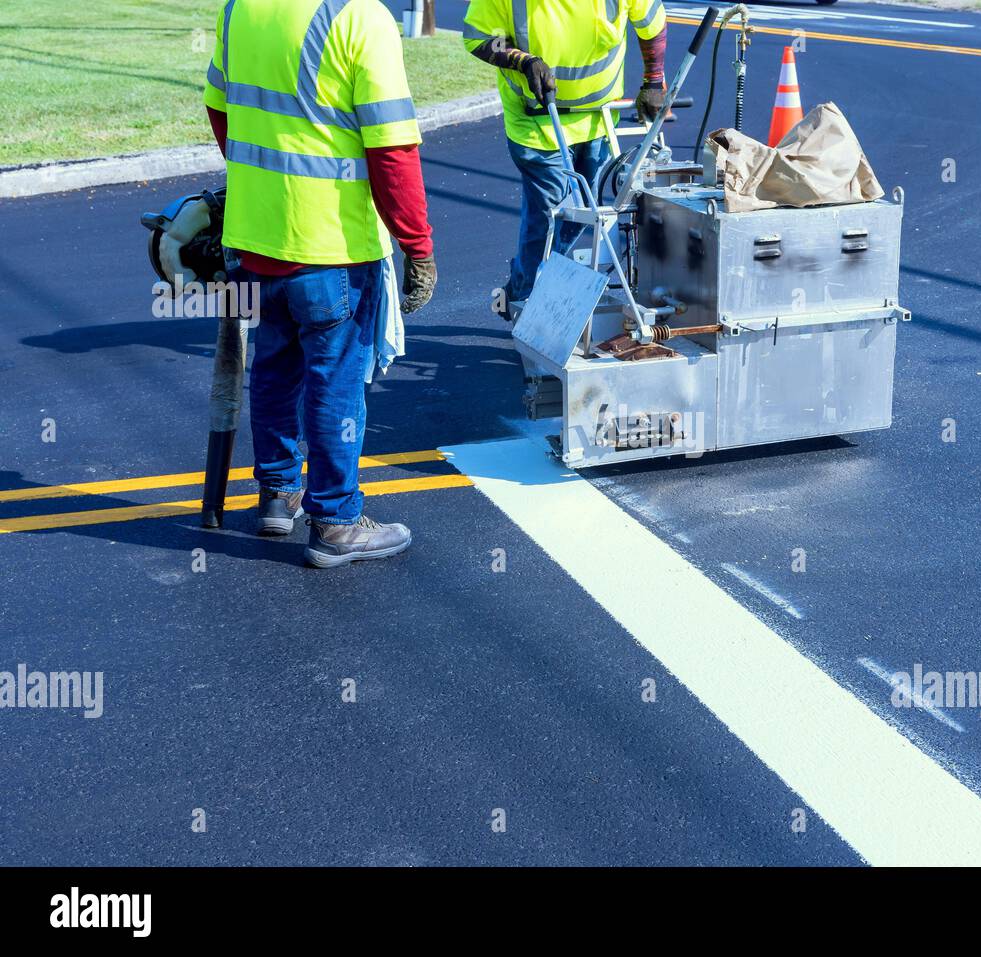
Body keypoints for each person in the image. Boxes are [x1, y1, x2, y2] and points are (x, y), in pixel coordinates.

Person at [203, 0, 437, 568]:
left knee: (275, 367)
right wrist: (418, 246)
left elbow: (220, 111)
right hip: (330, 247)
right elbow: (392, 152)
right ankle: (335, 521)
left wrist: (262, 190)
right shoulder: (361, 18)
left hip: (255, 241)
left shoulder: (240, 9)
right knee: (335, 382)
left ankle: (277, 495)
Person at [462, 0, 669, 305]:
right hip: (536, 121)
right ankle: (528, 296)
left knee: (584, 210)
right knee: (548, 216)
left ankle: (536, 275)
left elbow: (651, 22)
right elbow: (478, 37)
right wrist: (522, 61)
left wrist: (653, 80)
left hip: (599, 120)